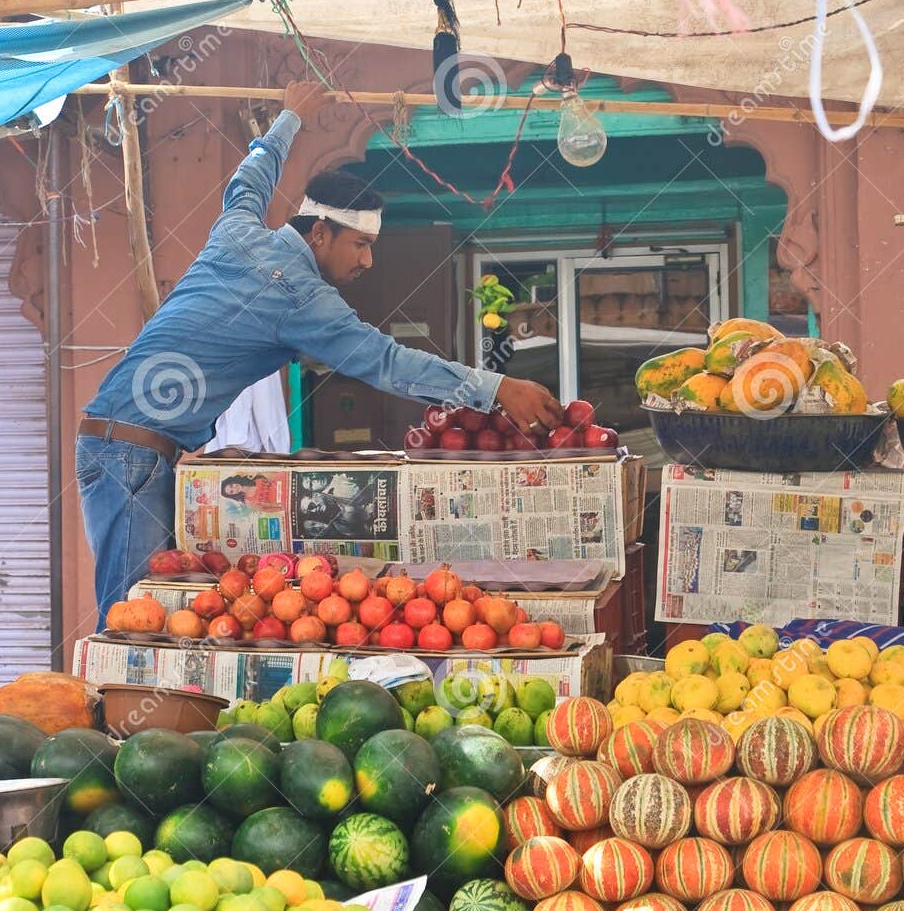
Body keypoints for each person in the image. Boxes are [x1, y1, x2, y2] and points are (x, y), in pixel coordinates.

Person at [77, 81, 562, 622]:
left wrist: (291, 117)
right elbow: (388, 363)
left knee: (142, 618)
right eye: (361, 245)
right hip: (131, 457)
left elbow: (248, 179)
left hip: (123, 445)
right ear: (319, 235)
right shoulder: (300, 298)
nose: (367, 263)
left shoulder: (236, 230)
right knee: (128, 623)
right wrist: (496, 385)